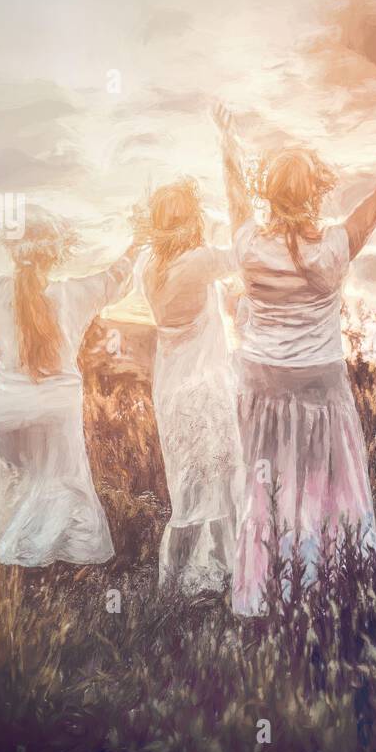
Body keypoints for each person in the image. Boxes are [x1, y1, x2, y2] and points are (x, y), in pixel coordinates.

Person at [225, 106, 376, 615]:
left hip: (261, 384)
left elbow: (232, 196)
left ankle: (266, 587)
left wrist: (226, 143)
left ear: (269, 196)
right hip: (320, 385)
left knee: (266, 487)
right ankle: (331, 579)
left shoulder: (248, 246)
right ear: (316, 195)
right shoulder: (336, 247)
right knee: (329, 486)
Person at [0, 215, 138, 566]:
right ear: (54, 256)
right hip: (57, 413)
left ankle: (10, 548)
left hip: (8, 410)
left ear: (13, 253)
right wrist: (137, 244)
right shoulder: (74, 294)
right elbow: (117, 276)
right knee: (59, 482)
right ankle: (47, 548)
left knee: (13, 479)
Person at [133, 168, 241, 596]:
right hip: (206, 389)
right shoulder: (199, 262)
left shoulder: (149, 267)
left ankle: (186, 572)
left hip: (172, 392)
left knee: (189, 485)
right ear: (191, 219)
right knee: (223, 479)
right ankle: (214, 571)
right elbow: (244, 254)